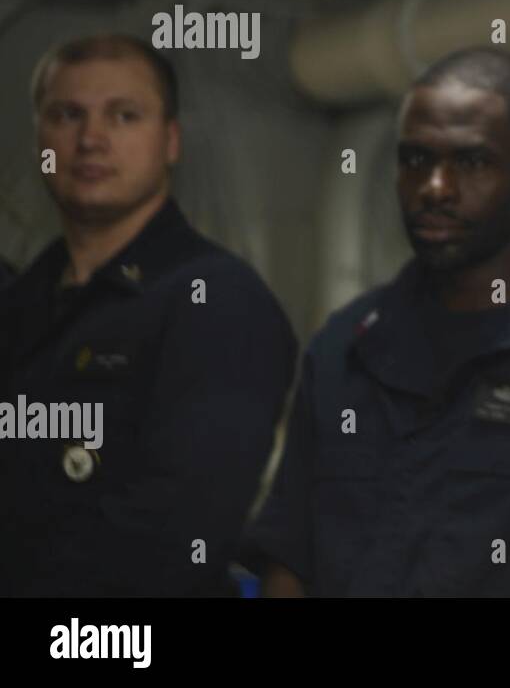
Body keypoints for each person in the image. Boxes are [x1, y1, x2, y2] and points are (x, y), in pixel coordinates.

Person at [250, 48, 510, 596]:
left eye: (471, 162)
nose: (435, 187)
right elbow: (288, 552)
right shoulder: (346, 344)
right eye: (416, 160)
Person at [0, 34, 295, 595]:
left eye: (124, 116)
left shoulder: (214, 302)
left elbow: (171, 543)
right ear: (40, 137)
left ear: (171, 142)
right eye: (66, 115)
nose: (91, 139)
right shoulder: (21, 307)